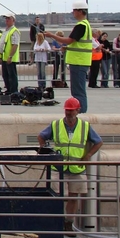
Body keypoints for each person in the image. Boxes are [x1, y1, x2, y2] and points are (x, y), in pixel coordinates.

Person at [37, 97, 103, 230]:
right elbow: (41, 136)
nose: (69, 113)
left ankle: (68, 224)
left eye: (71, 111)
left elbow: (98, 142)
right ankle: (54, 223)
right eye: (67, 110)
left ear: (78, 111)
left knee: (73, 197)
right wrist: (45, 150)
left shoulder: (85, 126)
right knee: (54, 196)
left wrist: (88, 155)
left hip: (76, 168)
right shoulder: (56, 125)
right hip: (58, 168)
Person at [43, 4, 94, 112]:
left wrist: (52, 36)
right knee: (78, 89)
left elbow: (69, 40)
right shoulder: (86, 24)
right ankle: (80, 110)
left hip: (78, 62)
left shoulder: (81, 25)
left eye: (74, 10)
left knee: (78, 91)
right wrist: (68, 48)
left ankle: (81, 111)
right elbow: (78, 44)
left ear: (80, 11)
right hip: (81, 61)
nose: (73, 12)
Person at [0, 14, 21, 97]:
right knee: (5, 75)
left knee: (12, 75)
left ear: (13, 20)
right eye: (6, 19)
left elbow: (15, 44)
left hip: (10, 58)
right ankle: (8, 89)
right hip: (4, 57)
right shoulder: (6, 31)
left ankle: (13, 91)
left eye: (9, 19)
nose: (6, 20)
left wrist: (10, 56)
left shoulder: (14, 31)